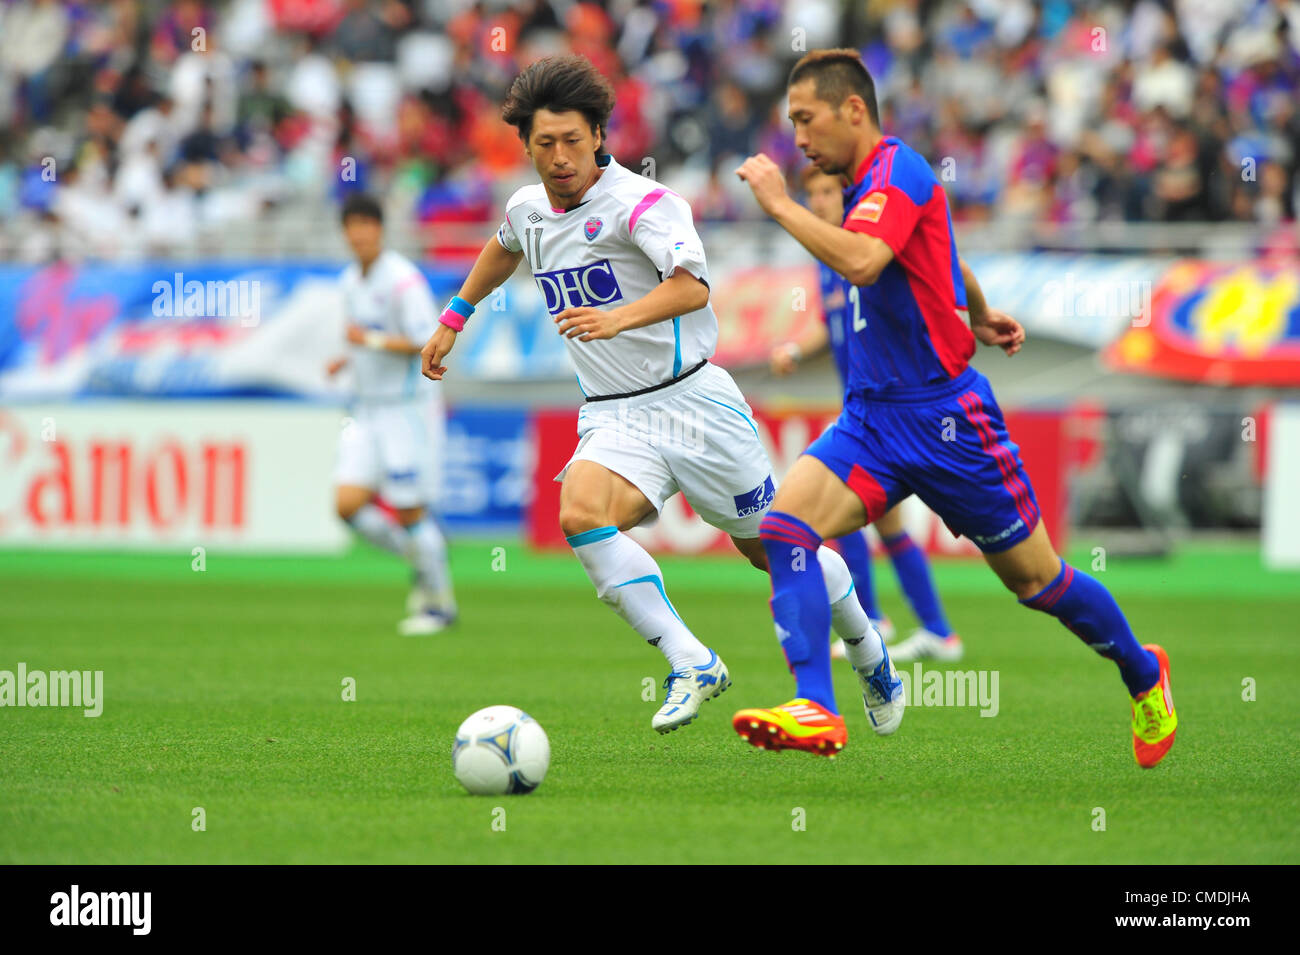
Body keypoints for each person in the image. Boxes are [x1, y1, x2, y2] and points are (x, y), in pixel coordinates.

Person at [420, 55, 901, 743]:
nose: (559, 158)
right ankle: (691, 659)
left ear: (599, 137)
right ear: (525, 144)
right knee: (580, 512)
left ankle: (867, 650)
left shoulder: (644, 204)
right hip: (615, 411)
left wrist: (617, 317)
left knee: (774, 546)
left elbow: (692, 286)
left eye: (573, 142)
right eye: (545, 144)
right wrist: (454, 316)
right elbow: (505, 247)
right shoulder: (526, 208)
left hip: (693, 404)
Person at [733, 49, 1176, 767]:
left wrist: (779, 202)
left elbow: (866, 262)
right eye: (791, 124)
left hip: (948, 421)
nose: (799, 138)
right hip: (873, 418)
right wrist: (982, 308)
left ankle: (1143, 670)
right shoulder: (863, 192)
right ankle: (816, 703)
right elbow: (939, 252)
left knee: (1038, 581)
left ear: (853, 110)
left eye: (806, 119)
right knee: (784, 528)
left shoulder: (898, 170)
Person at [771, 164, 962, 665]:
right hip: (863, 408)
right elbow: (827, 321)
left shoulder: (866, 251)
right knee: (868, 521)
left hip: (891, 410)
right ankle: (927, 629)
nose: (819, 200)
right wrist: (794, 348)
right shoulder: (827, 258)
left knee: (860, 516)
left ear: (849, 194)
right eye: (811, 192)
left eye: (828, 190)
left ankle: (899, 623)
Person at [328, 193, 456, 636]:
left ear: (380, 229)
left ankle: (440, 605)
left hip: (406, 409)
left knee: (408, 509)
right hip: (365, 410)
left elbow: (426, 341)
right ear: (345, 233)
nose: (360, 233)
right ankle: (422, 555)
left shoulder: (404, 281)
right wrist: (345, 358)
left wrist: (369, 341)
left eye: (367, 224)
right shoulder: (349, 281)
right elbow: (358, 338)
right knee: (346, 505)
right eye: (352, 225)